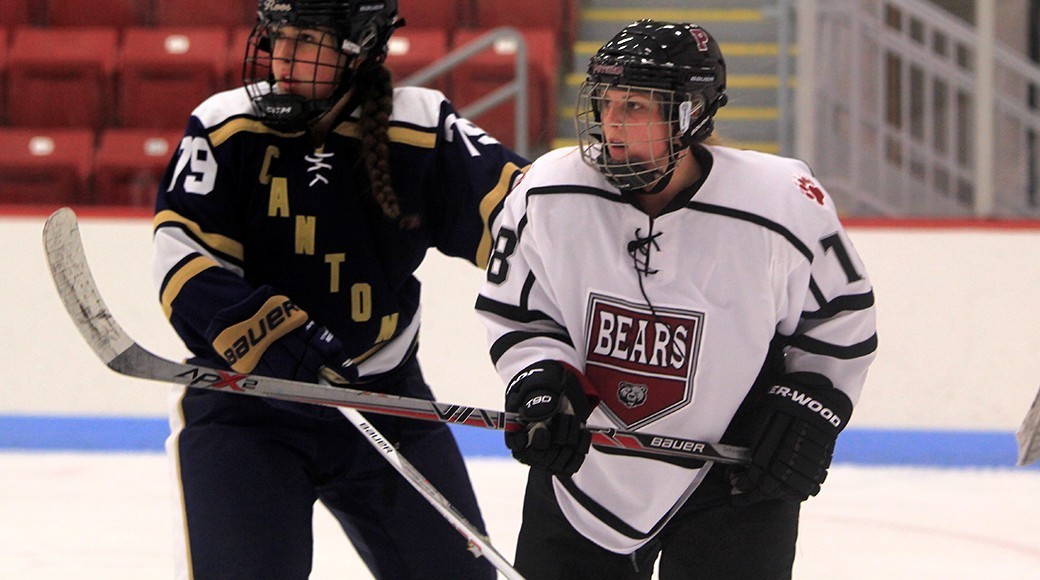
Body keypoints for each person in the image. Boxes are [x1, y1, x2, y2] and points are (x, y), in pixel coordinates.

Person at [476, 20, 878, 579]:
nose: (611, 124)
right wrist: (540, 378)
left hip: (734, 473)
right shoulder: (548, 189)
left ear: (691, 114)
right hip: (586, 461)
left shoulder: (779, 205)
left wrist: (810, 406)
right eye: (605, 102)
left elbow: (841, 321)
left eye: (635, 106)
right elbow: (519, 310)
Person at [152, 1, 528, 578]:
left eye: (306, 40)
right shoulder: (225, 124)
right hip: (245, 408)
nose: (282, 57)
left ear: (361, 46)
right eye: (277, 36)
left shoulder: (421, 126)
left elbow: (527, 219)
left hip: (385, 403)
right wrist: (263, 335)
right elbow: (183, 257)